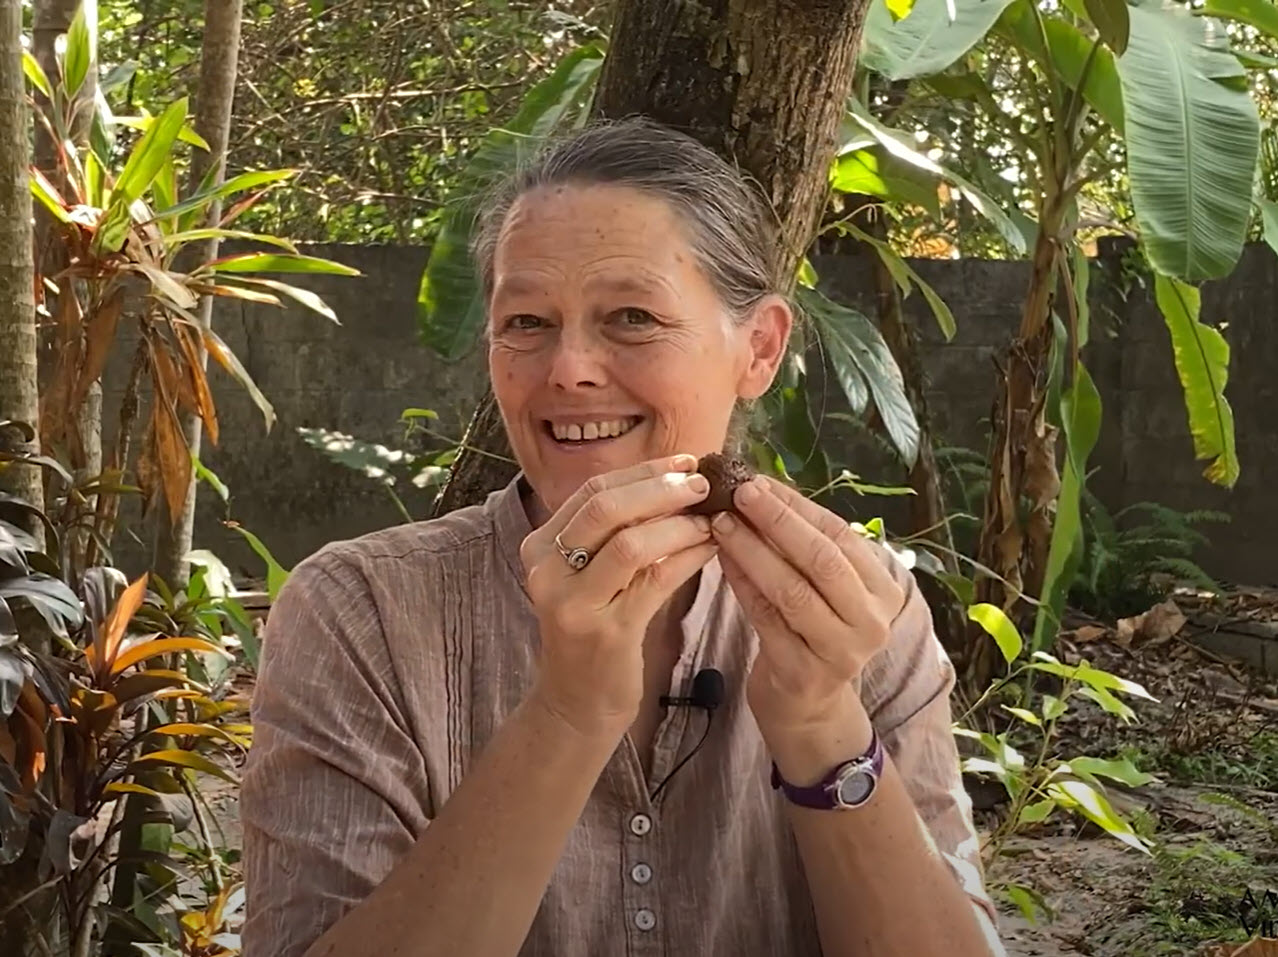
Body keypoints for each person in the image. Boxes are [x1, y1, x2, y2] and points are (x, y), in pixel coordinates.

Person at [241, 116, 1006, 957]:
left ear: (758, 349)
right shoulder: (364, 615)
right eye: (527, 322)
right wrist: (568, 713)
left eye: (632, 316)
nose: (569, 368)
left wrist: (822, 722)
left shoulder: (861, 611)